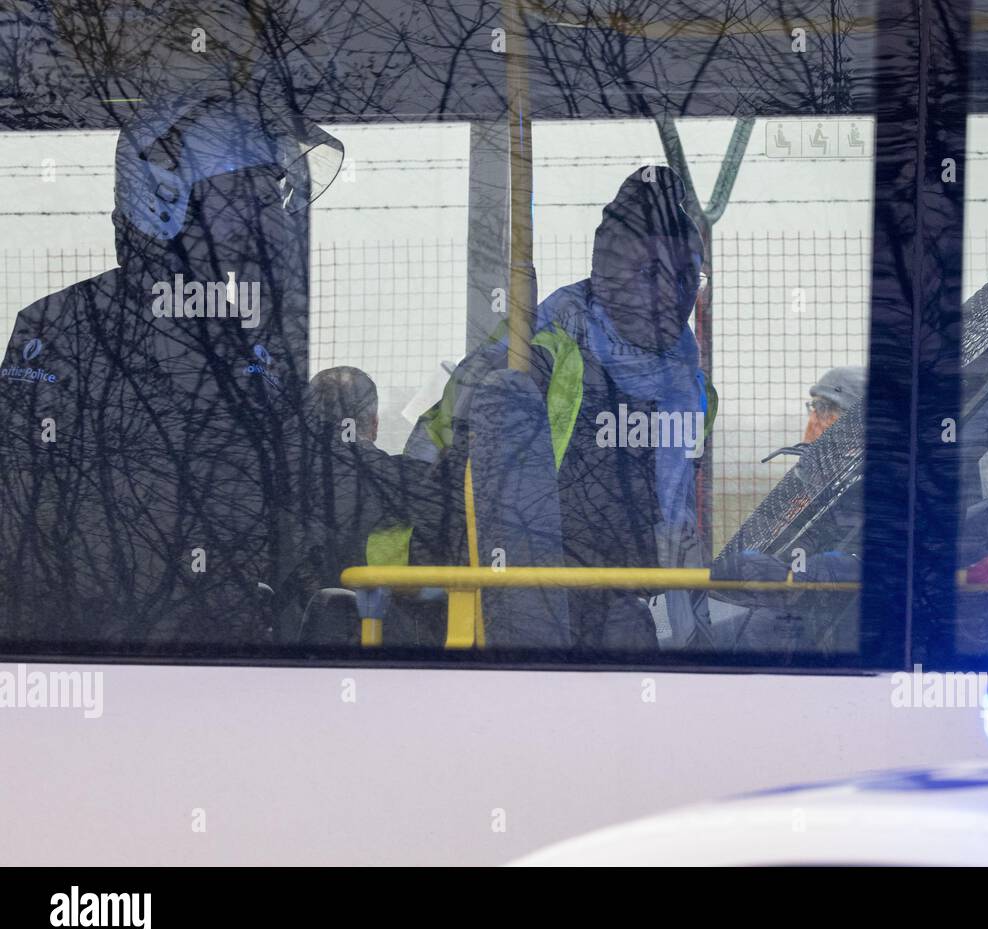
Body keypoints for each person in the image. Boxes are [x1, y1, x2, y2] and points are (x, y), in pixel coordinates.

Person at [0, 92, 449, 645]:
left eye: (278, 194)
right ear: (166, 200)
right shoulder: (70, 327)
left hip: (205, 643)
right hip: (110, 652)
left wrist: (443, 494)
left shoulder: (231, 336)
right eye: (259, 195)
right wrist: (441, 499)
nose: (279, 214)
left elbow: (303, 462)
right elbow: (38, 513)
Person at [405, 166, 717, 651]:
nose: (673, 294)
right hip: (524, 607)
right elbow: (434, 464)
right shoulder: (529, 352)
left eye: (687, 277)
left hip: (636, 605)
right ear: (609, 275)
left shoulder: (691, 388)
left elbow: (677, 525)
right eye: (652, 273)